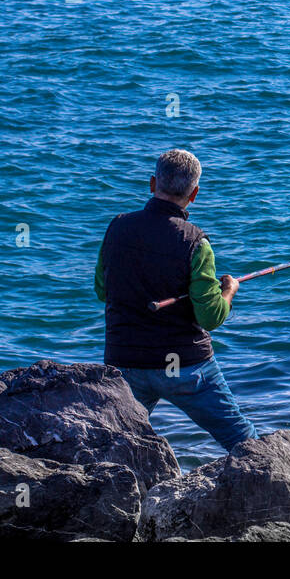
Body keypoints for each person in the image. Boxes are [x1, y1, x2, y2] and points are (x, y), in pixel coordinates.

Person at [94, 149, 257, 451]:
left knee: (115, 447)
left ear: (153, 183)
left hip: (125, 362)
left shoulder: (117, 227)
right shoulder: (196, 242)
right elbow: (210, 317)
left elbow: (103, 290)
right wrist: (229, 291)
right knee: (243, 441)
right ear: (194, 193)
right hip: (186, 367)